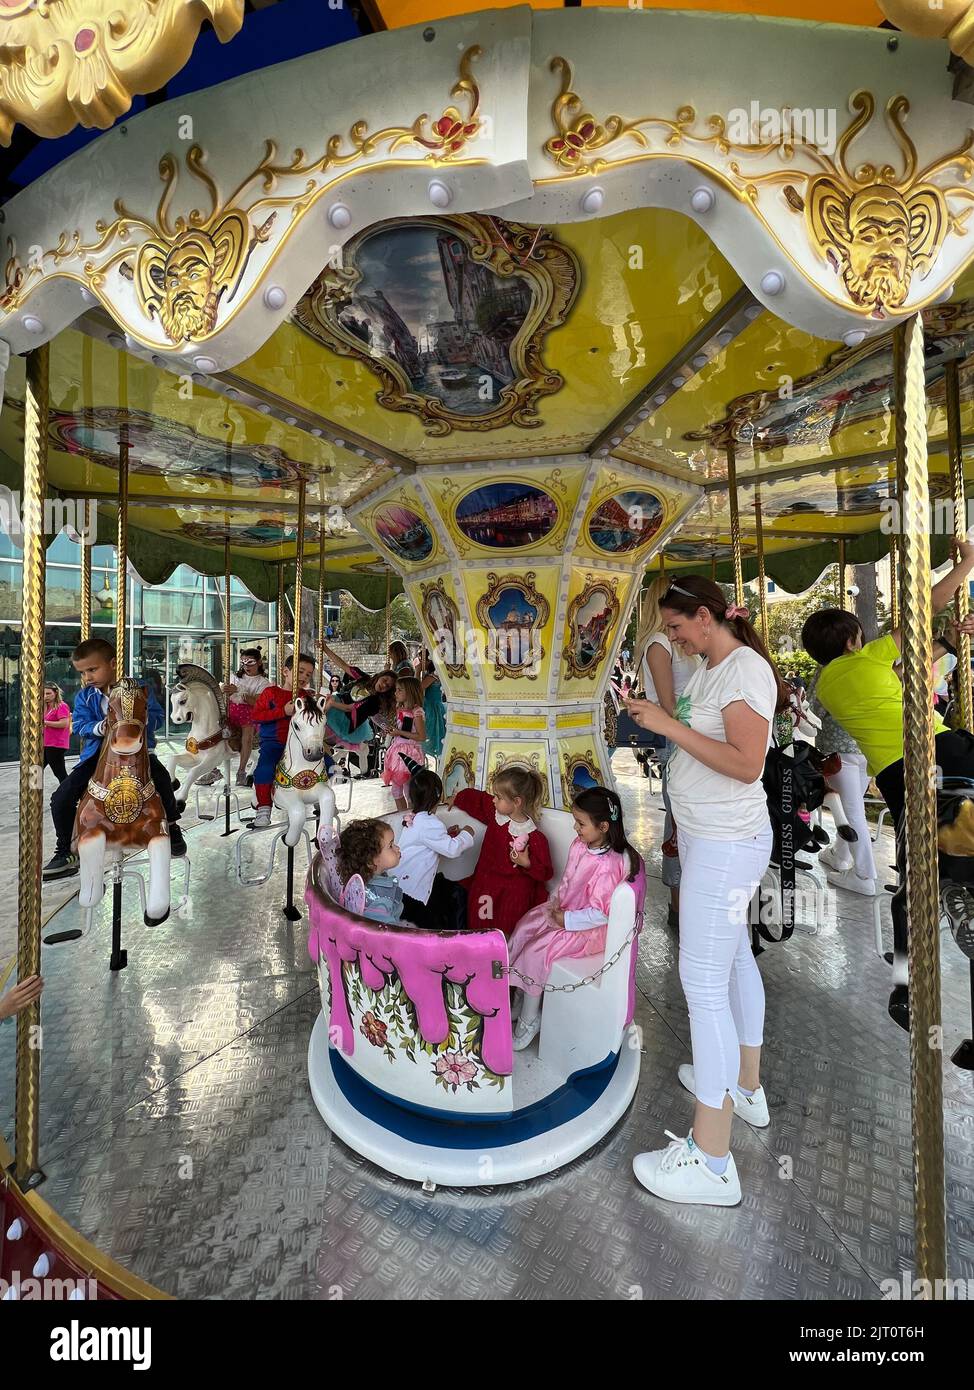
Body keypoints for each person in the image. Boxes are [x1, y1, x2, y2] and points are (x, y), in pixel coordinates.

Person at [626, 577, 789, 1207]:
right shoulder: (712, 666)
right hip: (707, 836)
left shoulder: (744, 670)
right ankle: (745, 1087)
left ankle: (712, 1159)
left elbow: (747, 763)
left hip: (724, 844)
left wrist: (667, 722)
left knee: (701, 986)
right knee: (733, 962)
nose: (671, 638)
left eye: (675, 627)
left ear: (703, 616)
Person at [801, 536, 974, 977]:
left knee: (917, 868)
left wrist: (947, 644)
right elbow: (926, 604)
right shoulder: (870, 657)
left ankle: (905, 974)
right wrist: (967, 564)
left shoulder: (830, 682)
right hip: (938, 752)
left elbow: (896, 673)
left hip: (895, 774)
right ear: (852, 641)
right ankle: (961, 890)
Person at [508, 786, 641, 1051]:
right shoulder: (581, 844)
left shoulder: (608, 865)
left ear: (603, 826)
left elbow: (602, 913)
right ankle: (524, 993)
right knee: (523, 929)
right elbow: (568, 879)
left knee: (536, 952)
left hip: (585, 930)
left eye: (581, 823)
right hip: (564, 911)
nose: (576, 828)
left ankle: (529, 1019)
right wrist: (555, 902)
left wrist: (567, 920)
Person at [43, 638, 186, 879]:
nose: (88, 677)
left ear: (112, 664)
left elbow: (158, 717)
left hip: (137, 752)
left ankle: (172, 825)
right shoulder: (85, 697)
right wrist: (101, 727)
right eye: (83, 672)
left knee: (162, 779)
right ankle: (65, 850)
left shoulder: (137, 688)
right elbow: (79, 724)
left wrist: (140, 721)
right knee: (61, 798)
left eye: (92, 669)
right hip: (99, 756)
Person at [634, 576, 701, 931]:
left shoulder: (674, 643)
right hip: (680, 736)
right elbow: (670, 703)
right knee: (678, 816)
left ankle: (690, 895)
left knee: (688, 815)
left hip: (689, 733)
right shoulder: (659, 643)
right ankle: (678, 899)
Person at [450, 766, 553, 935]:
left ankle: (502, 954)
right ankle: (481, 948)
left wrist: (527, 863)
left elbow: (545, 872)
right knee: (480, 922)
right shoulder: (495, 814)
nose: (493, 800)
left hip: (512, 895)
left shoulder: (535, 837)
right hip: (486, 886)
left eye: (498, 797)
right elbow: (479, 799)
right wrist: (456, 798)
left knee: (506, 927)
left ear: (517, 802)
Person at [809, 672, 878, 895]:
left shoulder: (829, 670)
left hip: (839, 750)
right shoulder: (869, 666)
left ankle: (864, 875)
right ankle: (841, 854)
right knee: (852, 807)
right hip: (867, 745)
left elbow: (814, 711)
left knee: (851, 812)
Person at [397, 769, 475, 930]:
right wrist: (467, 833)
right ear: (438, 796)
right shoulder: (430, 823)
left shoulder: (416, 818)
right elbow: (452, 850)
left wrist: (445, 834)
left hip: (403, 883)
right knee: (420, 925)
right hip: (413, 888)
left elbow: (426, 841)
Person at [250, 651, 317, 829]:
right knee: (264, 767)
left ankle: (320, 797)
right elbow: (256, 716)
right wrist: (282, 712)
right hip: (274, 742)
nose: (304, 677)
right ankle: (264, 807)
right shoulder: (270, 693)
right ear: (286, 671)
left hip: (300, 744)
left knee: (325, 761)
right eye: (300, 671)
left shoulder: (306, 697)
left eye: (308, 674)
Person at [336, 817, 406, 925]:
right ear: (371, 861)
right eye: (391, 846)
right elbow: (387, 936)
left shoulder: (369, 878)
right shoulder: (378, 902)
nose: (397, 848)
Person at [222, 648, 270, 787]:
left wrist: (238, 691)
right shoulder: (233, 677)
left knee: (247, 736)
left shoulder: (263, 683)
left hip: (248, 712)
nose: (246, 666)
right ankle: (211, 768)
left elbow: (257, 702)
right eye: (244, 662)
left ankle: (241, 770)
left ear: (259, 662)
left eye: (250, 662)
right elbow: (224, 692)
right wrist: (223, 689)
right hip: (230, 708)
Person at [382, 676, 426, 809]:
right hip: (397, 751)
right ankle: (401, 816)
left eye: (399, 690)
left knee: (408, 789)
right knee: (396, 789)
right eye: (396, 690)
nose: (395, 693)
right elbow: (400, 730)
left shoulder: (417, 712)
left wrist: (399, 733)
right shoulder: (399, 709)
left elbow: (421, 736)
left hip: (410, 753)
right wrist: (392, 731)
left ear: (410, 692)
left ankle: (411, 816)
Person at [43, 682, 71, 785]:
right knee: (35, 769)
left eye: (48, 693)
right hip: (46, 744)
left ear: (55, 693)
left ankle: (70, 796)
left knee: (60, 773)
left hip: (56, 744)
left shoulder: (61, 706)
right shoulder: (45, 707)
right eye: (43, 694)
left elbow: (64, 723)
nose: (45, 696)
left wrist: (45, 723)